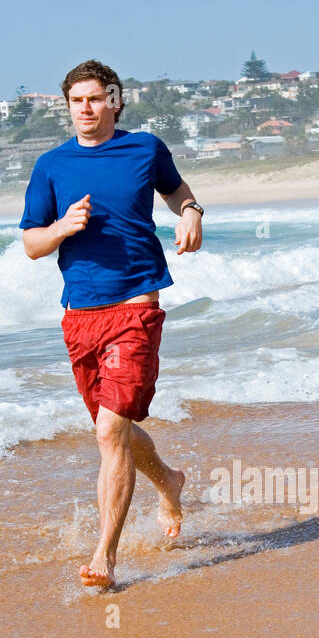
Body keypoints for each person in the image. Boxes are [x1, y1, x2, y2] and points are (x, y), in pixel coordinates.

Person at [19, 58, 205, 586]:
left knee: (109, 431)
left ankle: (105, 555)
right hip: (79, 317)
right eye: (77, 101)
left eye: (96, 99)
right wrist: (61, 228)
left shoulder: (144, 147)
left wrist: (192, 213)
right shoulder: (50, 166)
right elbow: (32, 244)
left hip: (135, 310)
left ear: (115, 101)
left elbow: (176, 191)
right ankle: (169, 480)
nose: (86, 108)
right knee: (115, 428)